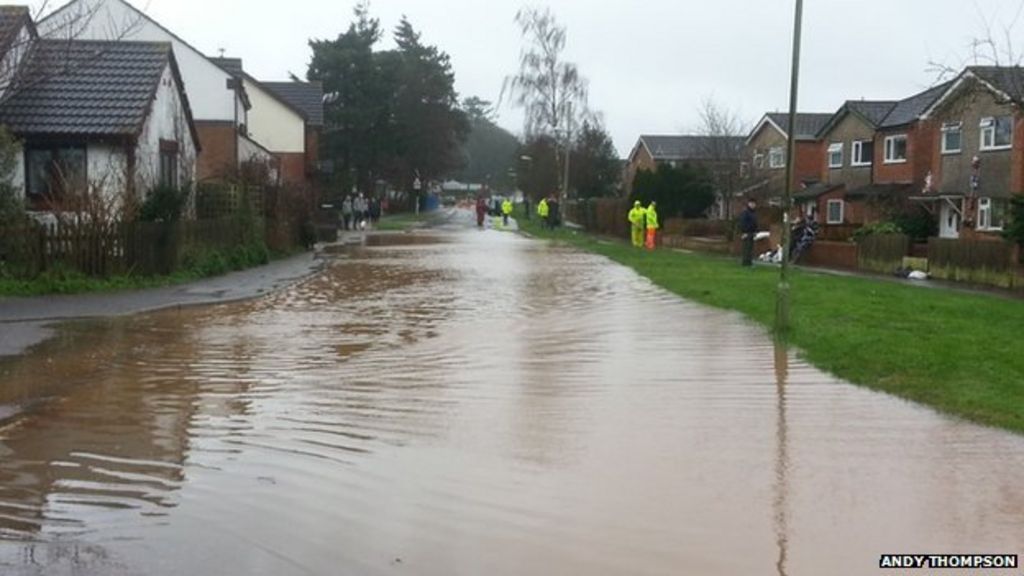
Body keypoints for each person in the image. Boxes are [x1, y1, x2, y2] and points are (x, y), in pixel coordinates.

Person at [739, 199, 759, 267]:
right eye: (751, 203)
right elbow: (742, 223)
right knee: (746, 248)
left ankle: (749, 262)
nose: (753, 205)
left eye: (754, 204)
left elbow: (755, 223)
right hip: (747, 232)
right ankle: (745, 263)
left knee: (750, 248)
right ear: (749, 204)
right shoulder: (745, 212)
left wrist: (755, 231)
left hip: (752, 232)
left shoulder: (754, 213)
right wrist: (744, 232)